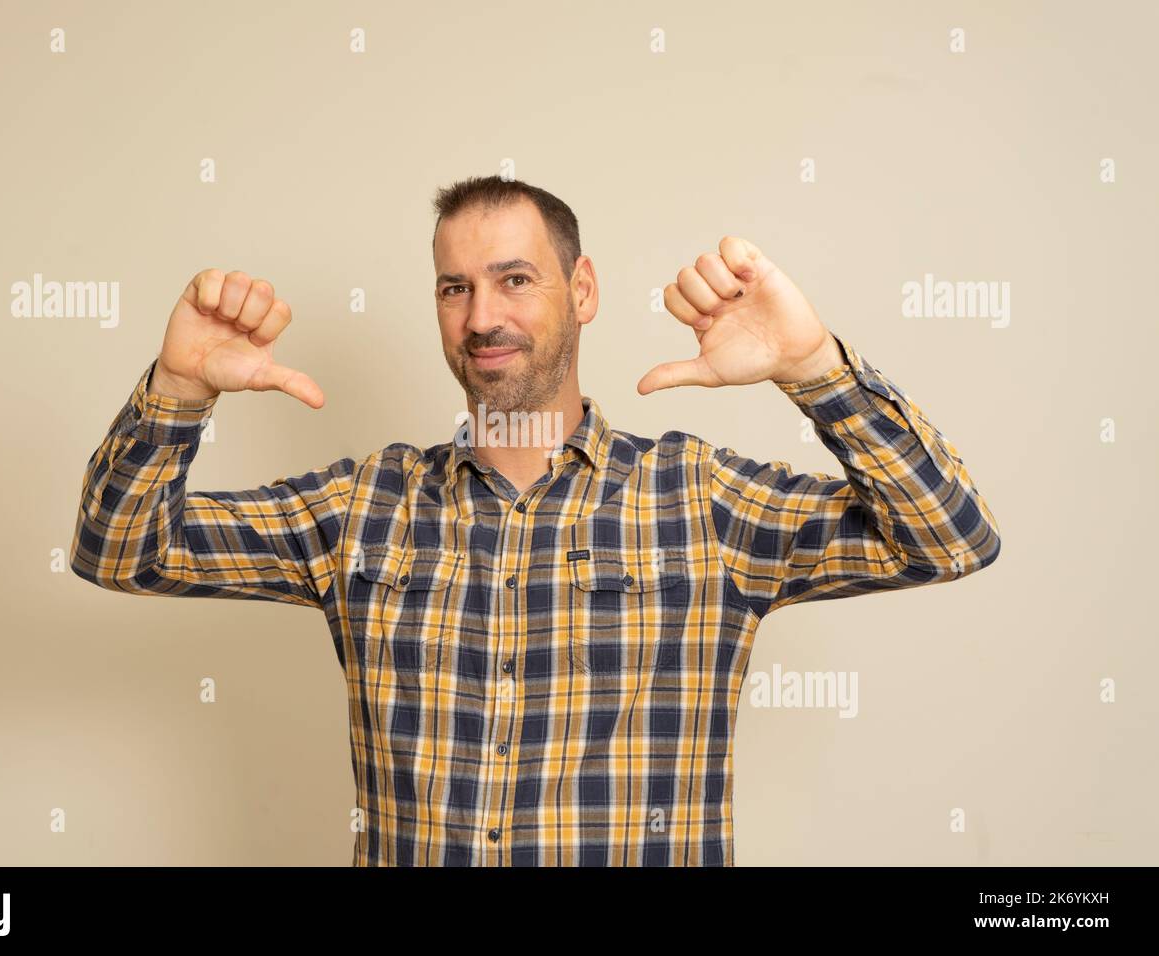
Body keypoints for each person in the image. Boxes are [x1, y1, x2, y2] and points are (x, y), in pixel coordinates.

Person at [71, 175, 1001, 866]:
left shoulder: (699, 499)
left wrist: (811, 366)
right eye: (454, 287)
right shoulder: (363, 508)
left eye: (515, 279)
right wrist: (182, 389)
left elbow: (951, 534)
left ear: (581, 292)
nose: (482, 316)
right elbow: (121, 552)